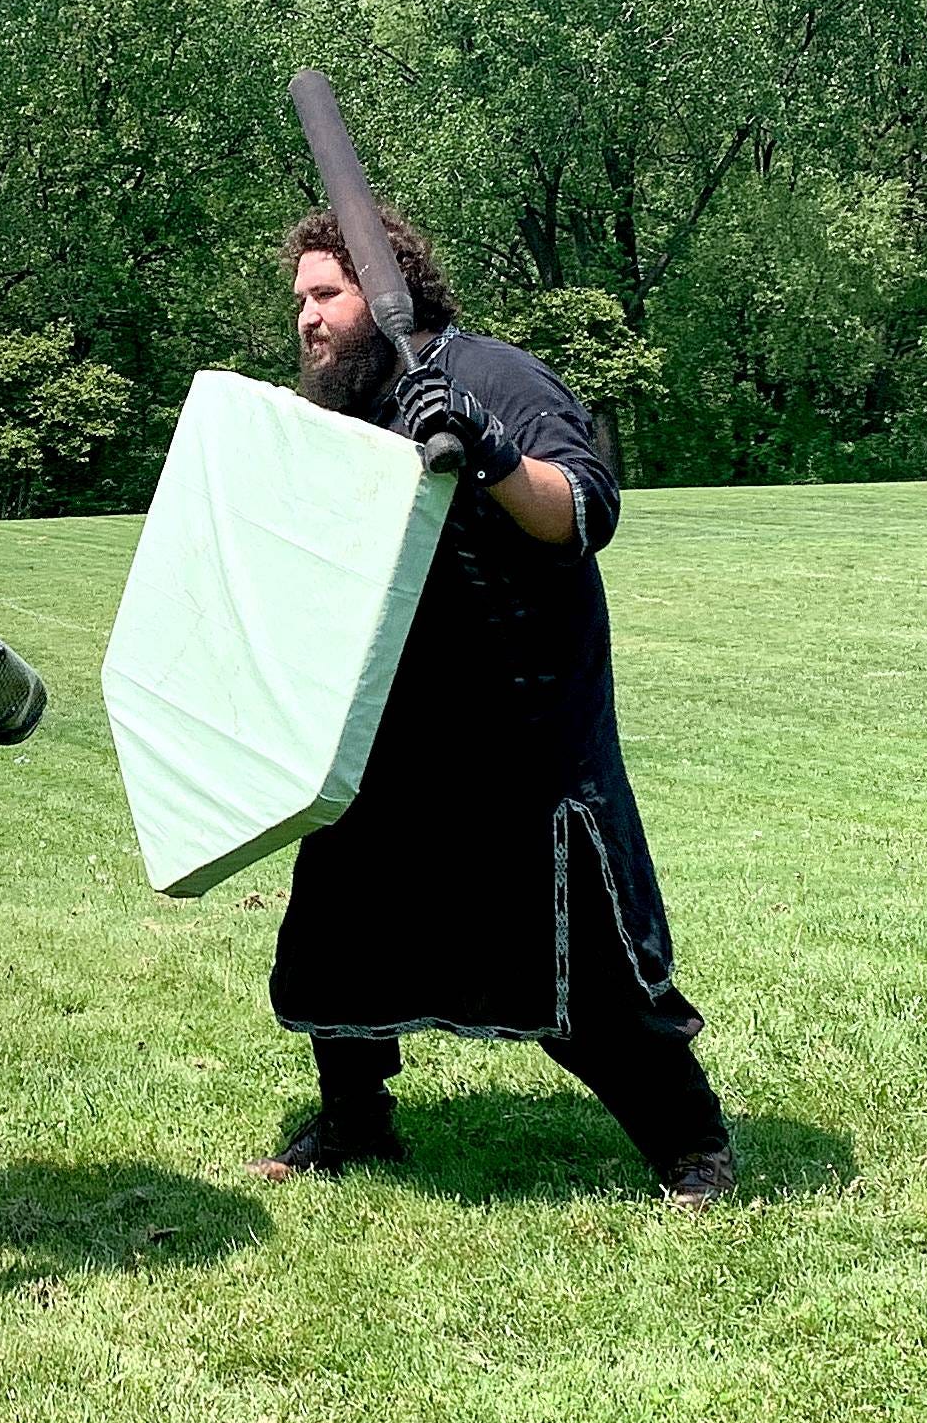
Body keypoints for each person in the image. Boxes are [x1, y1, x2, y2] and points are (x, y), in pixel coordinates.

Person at [252, 208, 735, 1207]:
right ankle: (355, 1123)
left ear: (390, 288)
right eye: (298, 297)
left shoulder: (495, 378)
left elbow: (586, 508)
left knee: (577, 957)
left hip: (518, 734)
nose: (304, 316)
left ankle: (690, 1143)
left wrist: (493, 451)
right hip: (389, 734)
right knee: (338, 932)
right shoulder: (349, 416)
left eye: (325, 292)